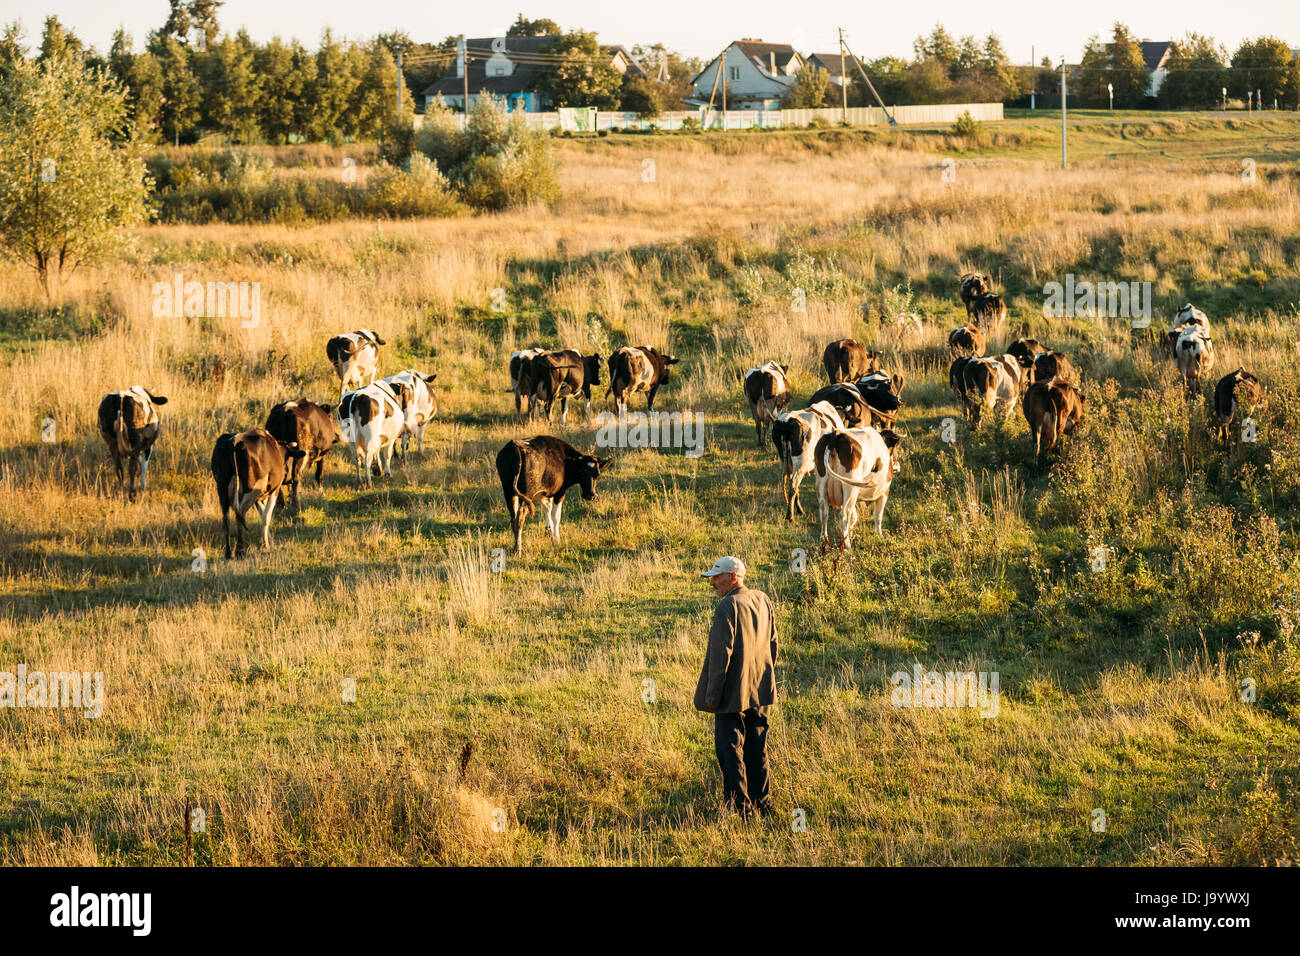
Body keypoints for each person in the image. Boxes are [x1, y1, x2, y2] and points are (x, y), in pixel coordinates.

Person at [694, 556, 778, 818]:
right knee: (757, 746)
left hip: (731, 693)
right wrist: (766, 677)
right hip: (760, 688)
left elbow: (721, 657)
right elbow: (773, 643)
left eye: (716, 577)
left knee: (730, 751)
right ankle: (762, 803)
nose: (712, 583)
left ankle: (740, 808)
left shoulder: (727, 606)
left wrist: (712, 696)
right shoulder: (763, 599)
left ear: (733, 577)